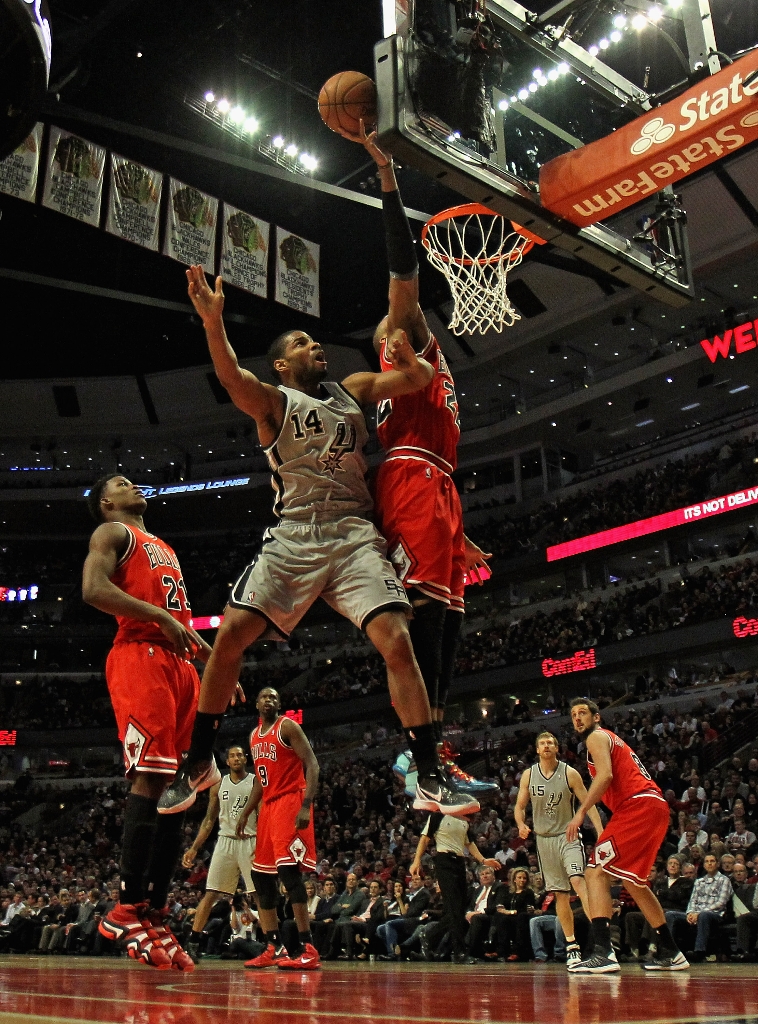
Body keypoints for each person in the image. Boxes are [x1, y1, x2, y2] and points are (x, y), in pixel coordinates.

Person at [158, 265, 477, 820]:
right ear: (283, 365)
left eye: (315, 340)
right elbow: (232, 377)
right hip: (295, 534)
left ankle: (427, 773)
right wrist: (213, 322)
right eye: (304, 344)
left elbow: (417, 383)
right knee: (232, 632)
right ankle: (198, 760)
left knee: (397, 640)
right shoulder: (272, 402)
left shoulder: (349, 390)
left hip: (353, 532)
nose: (317, 346)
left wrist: (413, 364)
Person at [360, 124, 496, 798]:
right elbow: (403, 273)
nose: (404, 319)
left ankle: (433, 754)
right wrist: (388, 182)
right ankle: (415, 755)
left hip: (436, 487)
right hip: (411, 481)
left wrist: (458, 526)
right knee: (419, 621)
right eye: (394, 321)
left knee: (448, 627)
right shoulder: (399, 342)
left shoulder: (422, 360)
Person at [82, 474, 213, 972]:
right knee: (153, 777)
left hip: (178, 665)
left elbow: (177, 620)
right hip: (140, 656)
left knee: (184, 785)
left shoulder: (163, 545)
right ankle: (125, 906)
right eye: (121, 482)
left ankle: (155, 912)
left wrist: (210, 664)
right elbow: (93, 589)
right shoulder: (112, 534)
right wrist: (159, 619)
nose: (132, 484)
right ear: (107, 502)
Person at [566, 697, 689, 973]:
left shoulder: (596, 737)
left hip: (638, 805)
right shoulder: (611, 740)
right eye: (573, 714)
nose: (577, 718)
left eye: (583, 712)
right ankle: (671, 951)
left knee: (595, 871)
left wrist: (581, 811)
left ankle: (603, 952)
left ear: (596, 717)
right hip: (654, 806)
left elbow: (606, 776)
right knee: (635, 883)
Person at [234, 687, 321, 970]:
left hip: (291, 800)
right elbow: (261, 779)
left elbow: (312, 764)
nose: (268, 700)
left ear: (279, 704)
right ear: (257, 704)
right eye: (264, 697)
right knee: (260, 878)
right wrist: (246, 813)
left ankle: (308, 947)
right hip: (269, 808)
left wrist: (306, 804)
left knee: (289, 874)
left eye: (273, 697)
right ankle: (274, 945)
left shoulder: (288, 727)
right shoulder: (254, 737)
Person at [515, 730, 603, 969]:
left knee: (578, 880)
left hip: (568, 835)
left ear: (556, 748)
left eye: (550, 742)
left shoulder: (569, 773)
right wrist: (521, 824)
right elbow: (520, 806)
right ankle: (572, 946)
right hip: (544, 840)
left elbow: (588, 804)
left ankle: (602, 941)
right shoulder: (528, 775)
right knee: (560, 894)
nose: (546, 745)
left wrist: (600, 831)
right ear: (536, 749)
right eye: (542, 742)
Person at [181, 744, 258, 963]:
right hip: (224, 841)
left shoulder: (255, 782)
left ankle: (274, 943)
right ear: (226, 761)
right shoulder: (218, 785)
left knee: (259, 894)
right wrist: (195, 847)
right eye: (232, 755)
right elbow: (208, 820)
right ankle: (193, 943)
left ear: (245, 759)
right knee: (211, 894)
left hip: (250, 840)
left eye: (239, 755)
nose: (236, 758)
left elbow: (263, 816)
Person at [410, 811, 499, 964]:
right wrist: (416, 860)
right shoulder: (437, 816)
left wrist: (483, 860)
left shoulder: (464, 819)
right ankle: (459, 953)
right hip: (444, 861)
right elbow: (425, 839)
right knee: (454, 909)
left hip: (459, 862)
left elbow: (469, 843)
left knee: (458, 910)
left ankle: (429, 937)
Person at [664, 852, 733, 961]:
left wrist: (698, 914)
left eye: (712, 861)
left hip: (715, 915)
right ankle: (669, 950)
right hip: (696, 914)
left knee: (704, 915)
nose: (709, 864)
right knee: (670, 915)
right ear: (704, 865)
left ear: (717, 864)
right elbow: (692, 901)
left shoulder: (724, 880)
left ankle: (699, 951)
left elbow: (721, 902)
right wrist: (690, 913)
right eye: (707, 861)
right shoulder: (699, 882)